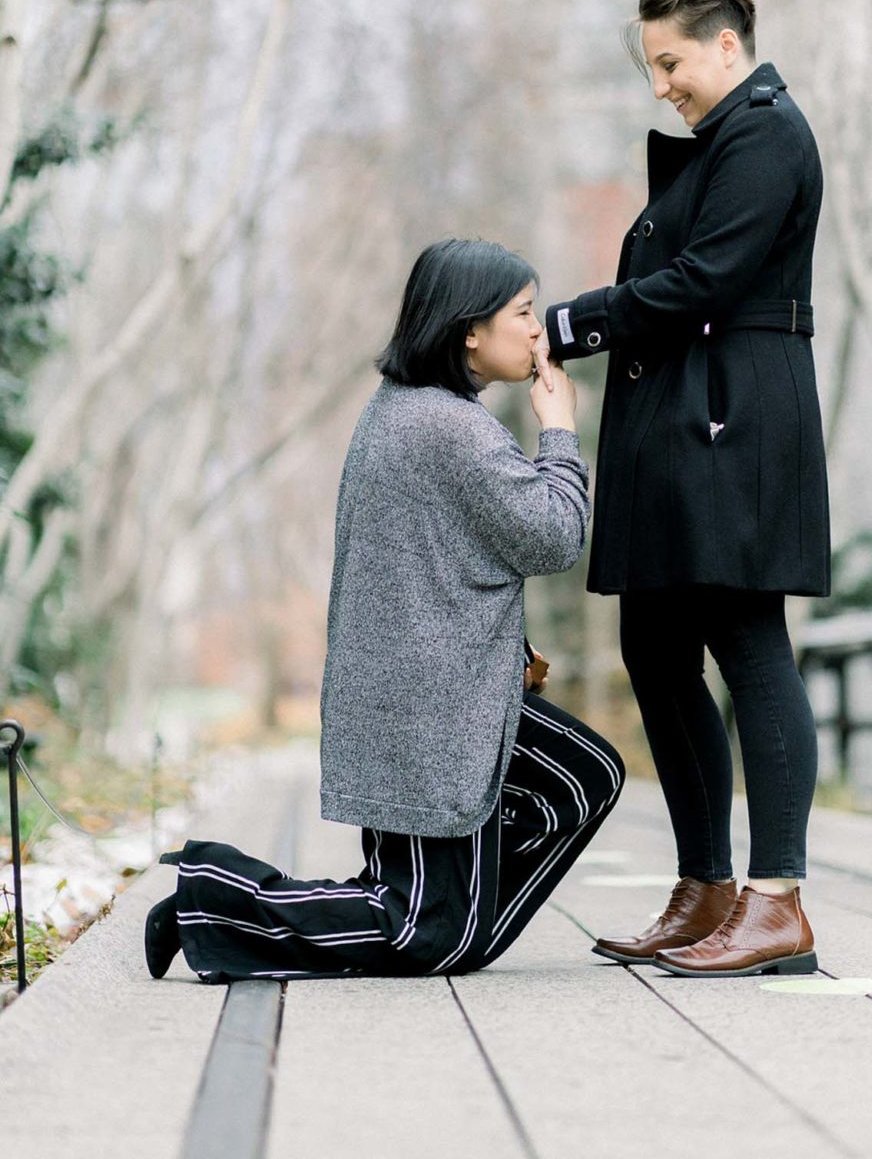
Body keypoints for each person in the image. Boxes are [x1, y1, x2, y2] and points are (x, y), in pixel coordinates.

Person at [144, 239, 623, 982]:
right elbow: (553, 536)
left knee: (581, 776)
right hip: (432, 711)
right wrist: (557, 426)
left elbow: (451, 559)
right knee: (419, 934)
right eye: (524, 313)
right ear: (470, 329)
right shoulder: (445, 425)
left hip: (443, 697)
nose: (539, 330)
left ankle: (462, 916)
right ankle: (213, 900)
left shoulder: (416, 413)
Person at [534, 0, 829, 978]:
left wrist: (572, 322)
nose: (660, 84)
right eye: (650, 66)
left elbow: (704, 282)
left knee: (749, 642)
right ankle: (704, 889)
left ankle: (776, 900)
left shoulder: (767, 134)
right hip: (684, 423)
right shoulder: (722, 143)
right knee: (656, 649)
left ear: (727, 47)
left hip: (734, 420)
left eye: (670, 62)